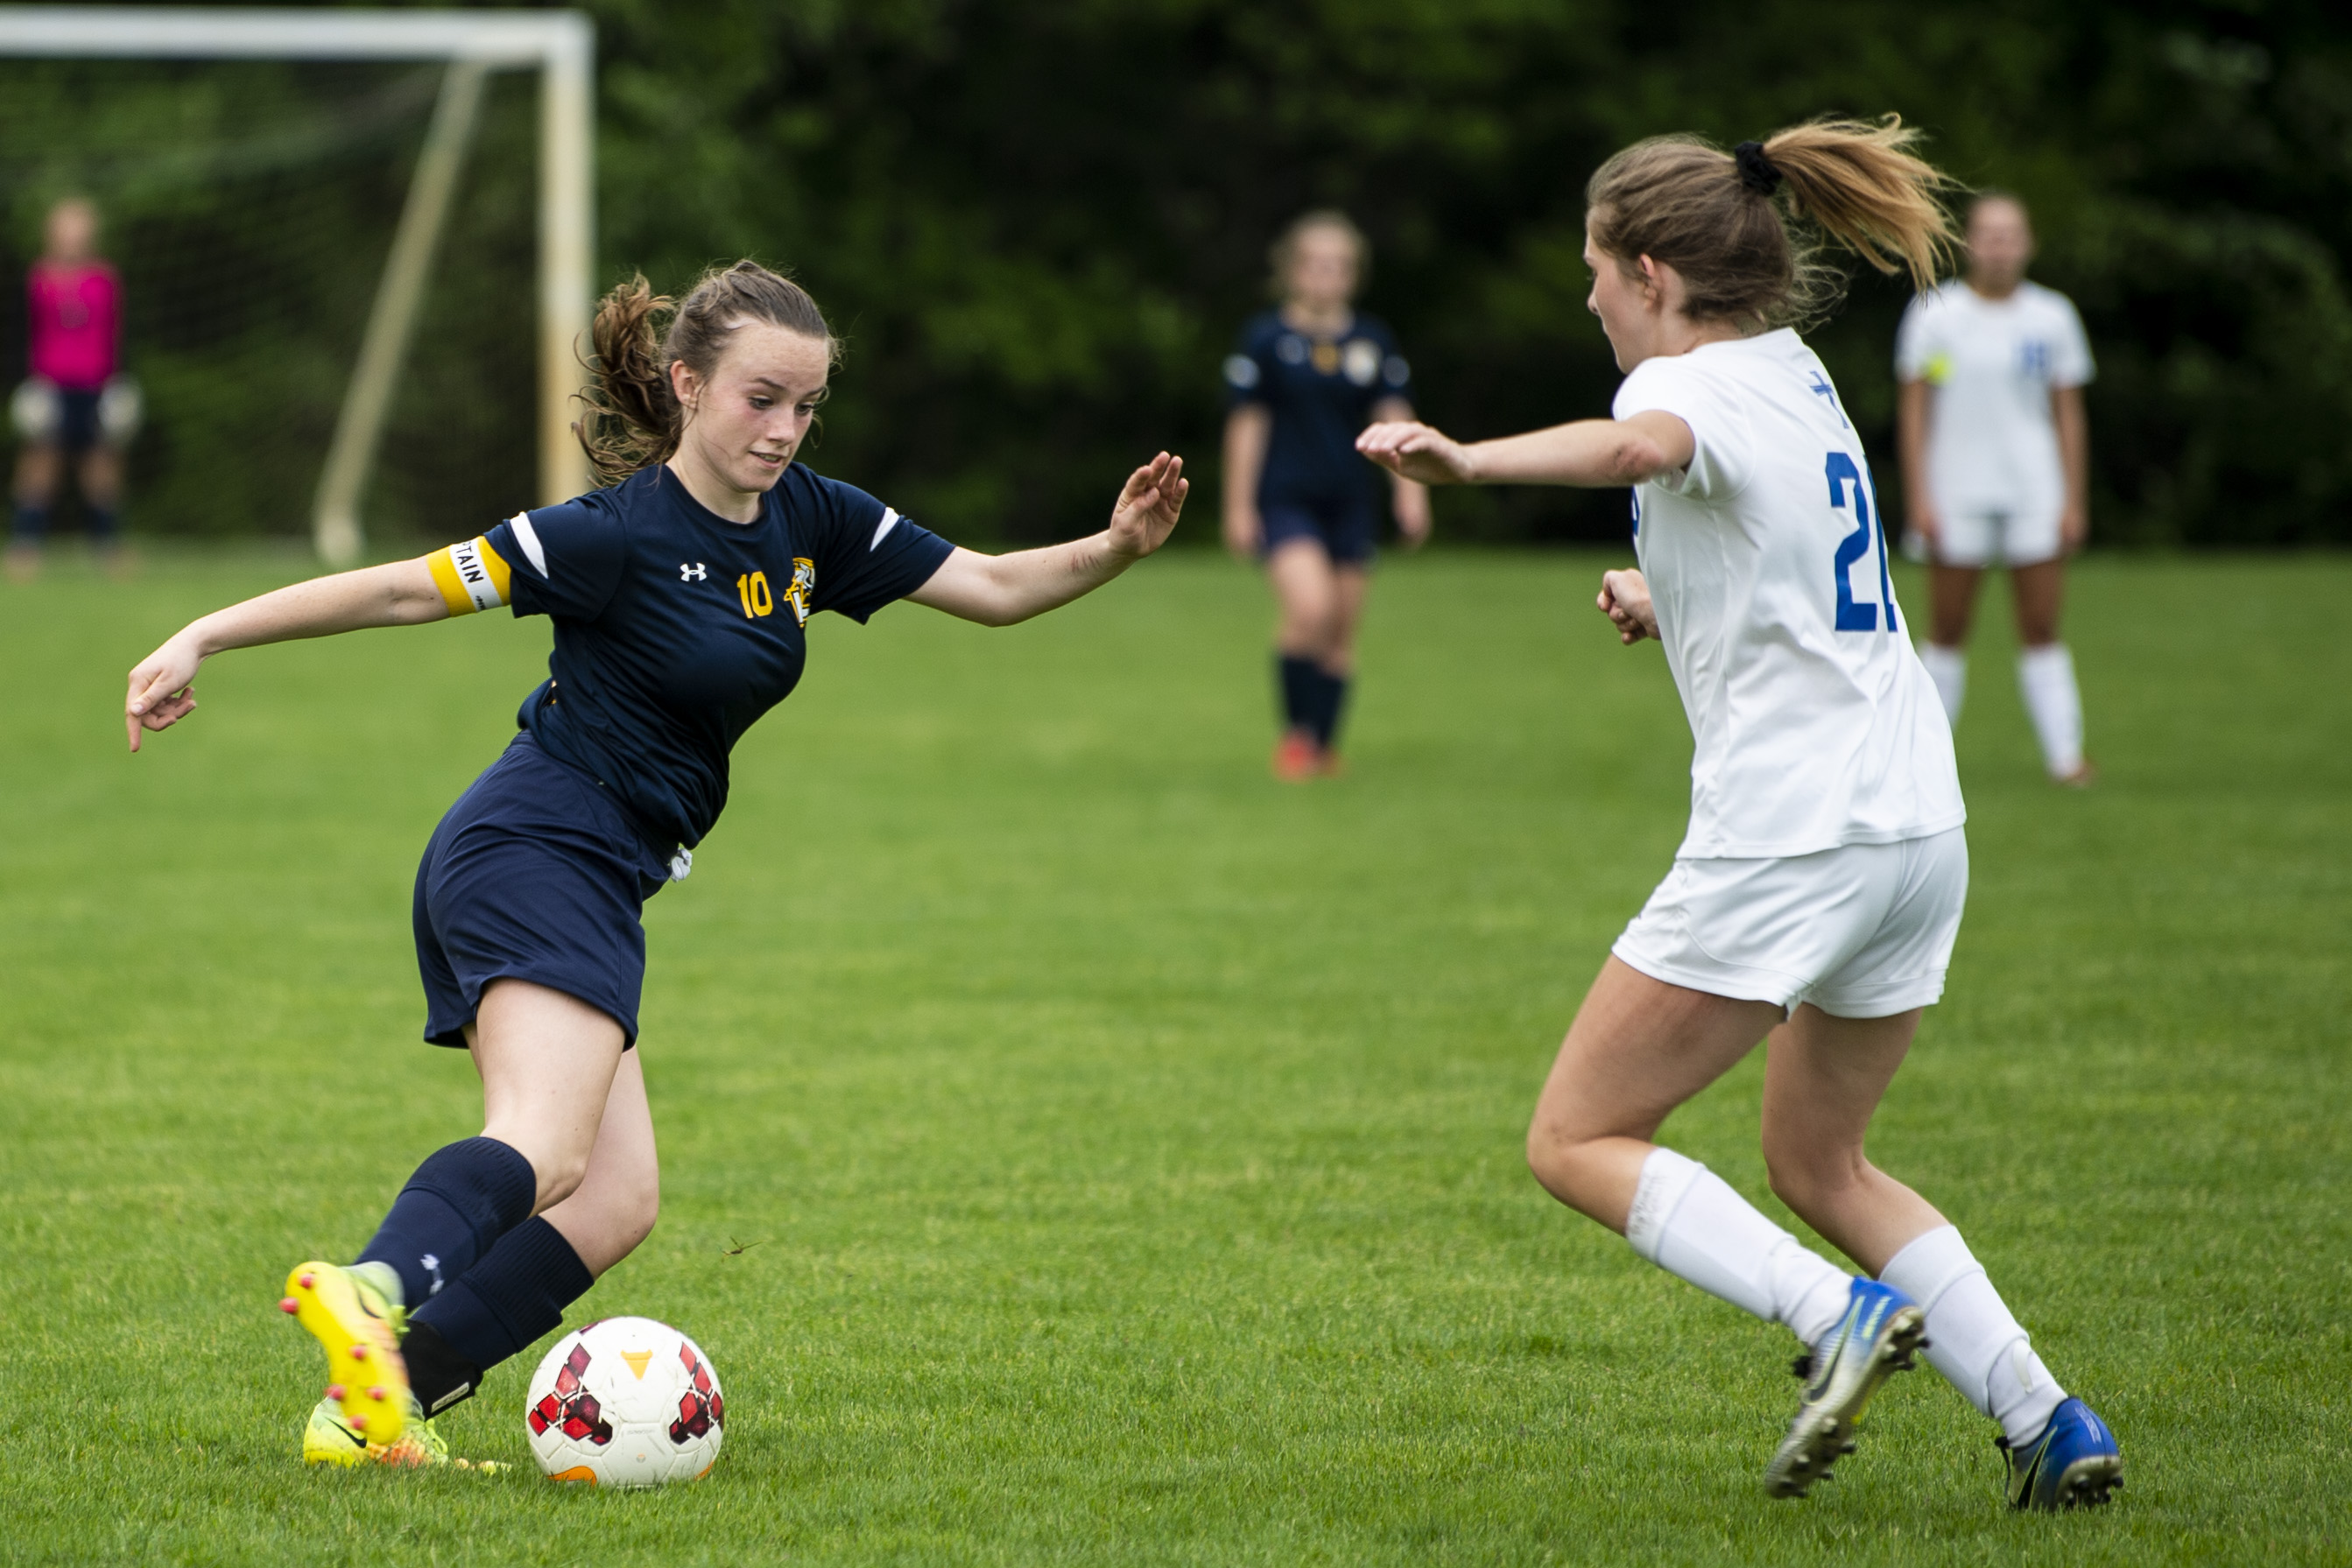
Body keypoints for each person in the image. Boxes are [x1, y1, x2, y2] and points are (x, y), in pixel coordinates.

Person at [122, 260, 1187, 1468]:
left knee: (615, 1195)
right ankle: (372, 1285)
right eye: (758, 398)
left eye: (804, 405)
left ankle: (381, 1402)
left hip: (597, 869)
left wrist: (1117, 544)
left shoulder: (817, 523)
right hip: (535, 846)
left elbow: (993, 587)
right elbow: (399, 590)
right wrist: (202, 631)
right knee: (547, 1142)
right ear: (687, 385)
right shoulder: (606, 535)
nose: (784, 429)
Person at [1358, 121, 2122, 1511]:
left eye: (1593, 270)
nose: (1585, 296)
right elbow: (1795, 549)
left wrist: (1468, 465)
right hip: (1914, 824)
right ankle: (2045, 1415)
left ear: (1649, 271)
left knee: (1574, 1137)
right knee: (1818, 1157)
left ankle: (1831, 1314)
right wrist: (1677, 596)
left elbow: (1637, 442)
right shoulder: (1796, 370)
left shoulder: (1681, 383)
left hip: (1795, 830)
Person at [1221, 211, 1429, 779]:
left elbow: (1394, 415)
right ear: (1290, 271)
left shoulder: (1371, 341)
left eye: (1338, 266)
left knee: (1340, 629)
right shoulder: (1266, 340)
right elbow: (1247, 426)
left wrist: (1411, 494)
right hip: (1286, 498)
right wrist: (1237, 507)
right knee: (1309, 610)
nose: (1325, 276)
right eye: (1314, 264)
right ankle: (1295, 739)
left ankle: (1324, 749)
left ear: (1353, 275)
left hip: (1351, 499)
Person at [1896, 193, 2096, 784]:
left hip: (2036, 491)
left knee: (2040, 627)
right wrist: (1921, 497)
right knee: (1948, 628)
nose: (2000, 246)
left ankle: (2066, 759)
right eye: (1988, 234)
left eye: (2011, 234)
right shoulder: (1935, 316)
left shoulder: (2052, 317)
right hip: (1955, 490)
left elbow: (2068, 414)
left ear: (2028, 243)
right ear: (1968, 242)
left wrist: (2073, 498)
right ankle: (1922, 763)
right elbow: (1915, 414)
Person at [10, 196, 137, 580]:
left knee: (101, 468)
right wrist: (26, 384)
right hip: (50, 386)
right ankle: (24, 546)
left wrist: (121, 383)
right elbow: (20, 334)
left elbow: (119, 335)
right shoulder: (36, 279)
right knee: (39, 467)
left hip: (97, 386)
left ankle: (108, 547)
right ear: (51, 233)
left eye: (79, 228)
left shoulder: (105, 279)